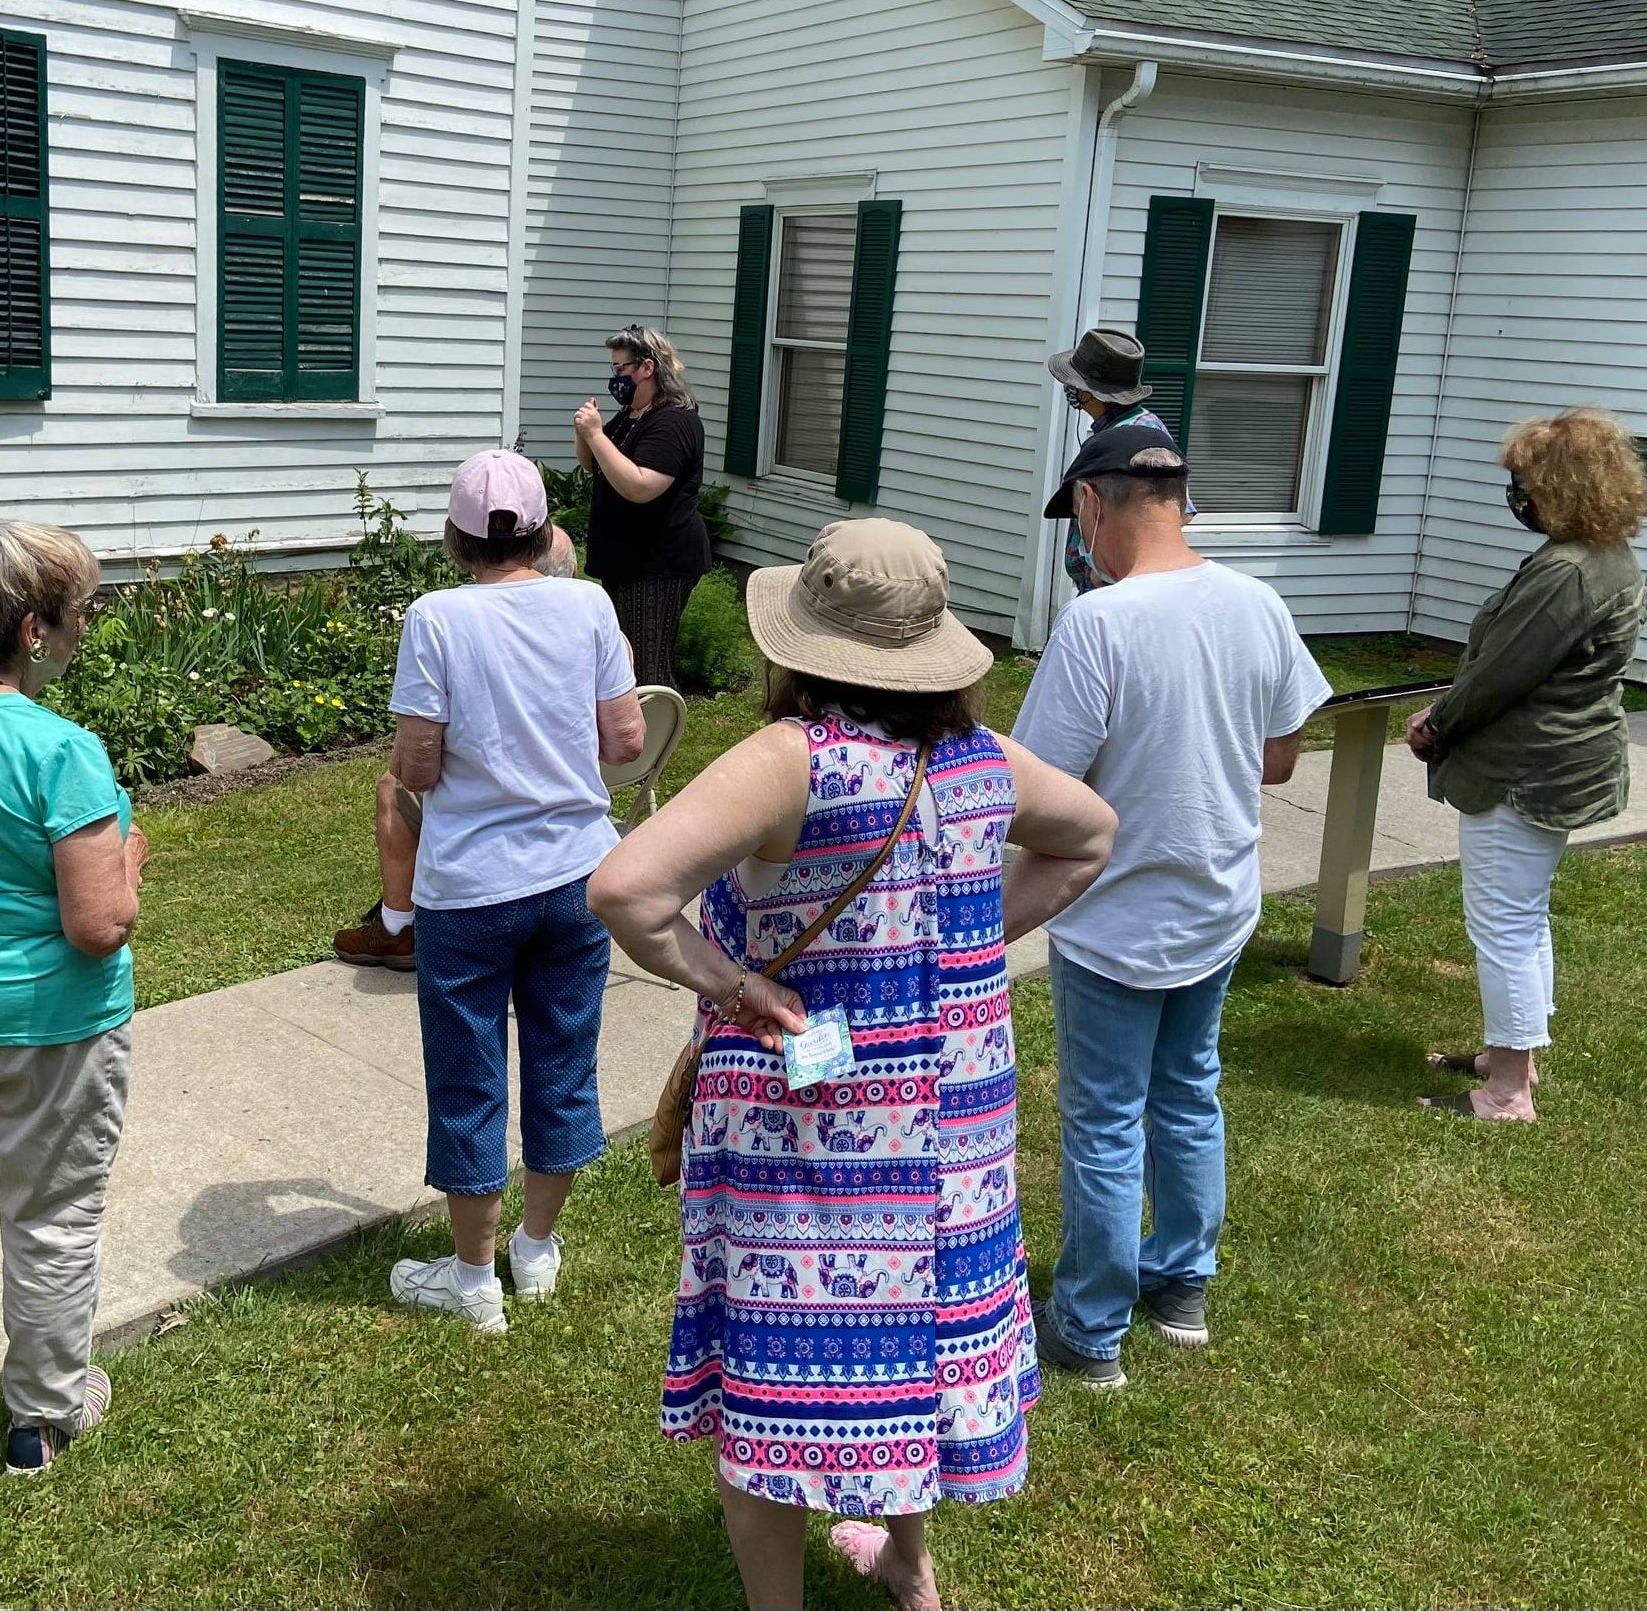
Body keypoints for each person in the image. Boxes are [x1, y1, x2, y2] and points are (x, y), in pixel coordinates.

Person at [588, 520, 1115, 1611]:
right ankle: (909, 1567)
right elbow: (1091, 834)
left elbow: (625, 891)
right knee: (909, 1355)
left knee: (779, 1387)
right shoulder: (980, 759)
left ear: (803, 643)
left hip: (809, 1133)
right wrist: (961, 944)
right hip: (950, 1134)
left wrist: (734, 986)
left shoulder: (793, 761)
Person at [1014, 422, 1330, 1390]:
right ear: (1177, 498)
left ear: (1094, 505)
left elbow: (1032, 786)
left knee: (1107, 1118)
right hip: (1219, 904)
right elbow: (1279, 754)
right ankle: (1181, 1285)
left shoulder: (1098, 625)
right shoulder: (1257, 602)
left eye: (1077, 518)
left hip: (1115, 921)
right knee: (1189, 1089)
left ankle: (1090, 1326)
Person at [385, 451, 645, 1331]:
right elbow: (625, 738)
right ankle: (534, 1249)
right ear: (541, 526)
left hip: (469, 888)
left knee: (469, 1077)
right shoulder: (590, 603)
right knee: (563, 1062)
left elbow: (417, 760)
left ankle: (471, 1280)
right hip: (577, 874)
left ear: (458, 538)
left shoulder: (436, 618)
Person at [0, 520, 148, 1474]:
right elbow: (99, 923)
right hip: (43, 1032)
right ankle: (42, 1417)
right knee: (51, 1218)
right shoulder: (61, 751)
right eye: (79, 612)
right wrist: (129, 858)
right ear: (31, 626)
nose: (85, 627)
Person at [1408, 408, 1646, 1123]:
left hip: (1526, 771)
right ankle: (1517, 1053)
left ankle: (1506, 1092)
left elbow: (1501, 674)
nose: (1517, 494)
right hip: (1561, 763)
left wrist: (1438, 722)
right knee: (1525, 912)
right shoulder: (1603, 555)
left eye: (1527, 481)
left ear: (1565, 487)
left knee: (1504, 923)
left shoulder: (1568, 573)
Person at [332, 524, 580, 971]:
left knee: (392, 785)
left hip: (487, 844)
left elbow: (418, 772)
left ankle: (396, 927)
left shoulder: (444, 619)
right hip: (574, 834)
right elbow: (626, 742)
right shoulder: (597, 620)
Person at [575, 323, 712, 689]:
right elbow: (595, 466)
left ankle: (652, 740)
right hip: (625, 560)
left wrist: (594, 434)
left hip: (657, 562)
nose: (615, 378)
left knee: (645, 665)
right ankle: (628, 738)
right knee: (622, 657)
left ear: (647, 368)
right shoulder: (632, 415)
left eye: (621, 369)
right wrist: (587, 436)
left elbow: (639, 486)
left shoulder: (673, 422)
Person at [1048, 327, 1193, 595]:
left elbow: (1176, 513)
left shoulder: (1140, 437)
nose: (1070, 389)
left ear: (1090, 392)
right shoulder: (1118, 429)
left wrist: (1108, 570)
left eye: (1075, 384)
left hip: (1112, 588)